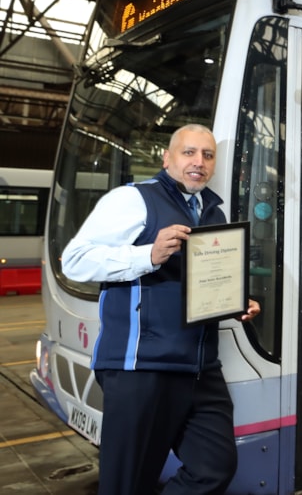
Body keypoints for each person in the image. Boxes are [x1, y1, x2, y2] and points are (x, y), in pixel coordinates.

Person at [61, 124, 261, 495]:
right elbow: (74, 261)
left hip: (200, 368)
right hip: (142, 367)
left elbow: (200, 286)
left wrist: (231, 303)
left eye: (207, 155)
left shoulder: (213, 212)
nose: (198, 162)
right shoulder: (132, 199)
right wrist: (148, 254)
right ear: (167, 158)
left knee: (213, 467)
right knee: (128, 483)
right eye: (188, 153)